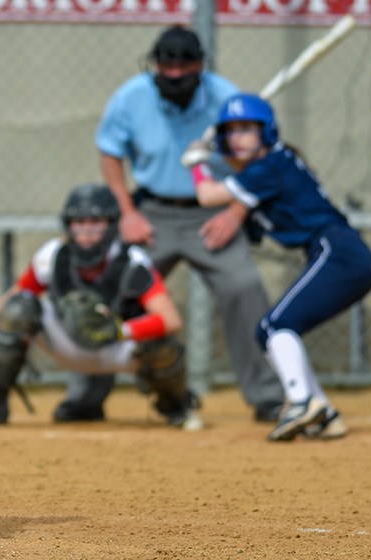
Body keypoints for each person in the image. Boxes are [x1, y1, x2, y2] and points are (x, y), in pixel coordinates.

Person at [68, 24, 286, 424]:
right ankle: (85, 396)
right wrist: (126, 212)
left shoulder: (224, 97)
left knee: (244, 288)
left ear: (200, 66)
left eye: (184, 66)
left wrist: (236, 213)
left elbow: (258, 159)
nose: (174, 74)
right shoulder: (132, 97)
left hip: (213, 213)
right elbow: (110, 152)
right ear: (154, 65)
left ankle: (267, 396)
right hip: (152, 213)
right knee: (113, 289)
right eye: (166, 66)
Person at [190, 93, 371, 441]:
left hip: (338, 250)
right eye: (230, 131)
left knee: (276, 325)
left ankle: (301, 402)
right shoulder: (265, 168)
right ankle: (322, 414)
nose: (237, 138)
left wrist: (197, 164)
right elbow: (239, 191)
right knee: (269, 332)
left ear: (267, 131)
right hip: (336, 252)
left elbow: (208, 195)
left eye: (246, 129)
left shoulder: (271, 165)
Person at [0, 183, 202, 430]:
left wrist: (120, 330)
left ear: (111, 224)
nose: (86, 231)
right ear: (68, 225)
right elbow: (13, 298)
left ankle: (176, 406)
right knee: (18, 308)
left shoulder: (131, 261)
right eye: (79, 222)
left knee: (163, 346)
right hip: (67, 343)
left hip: (115, 348)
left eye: (96, 222)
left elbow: (171, 320)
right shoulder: (52, 255)